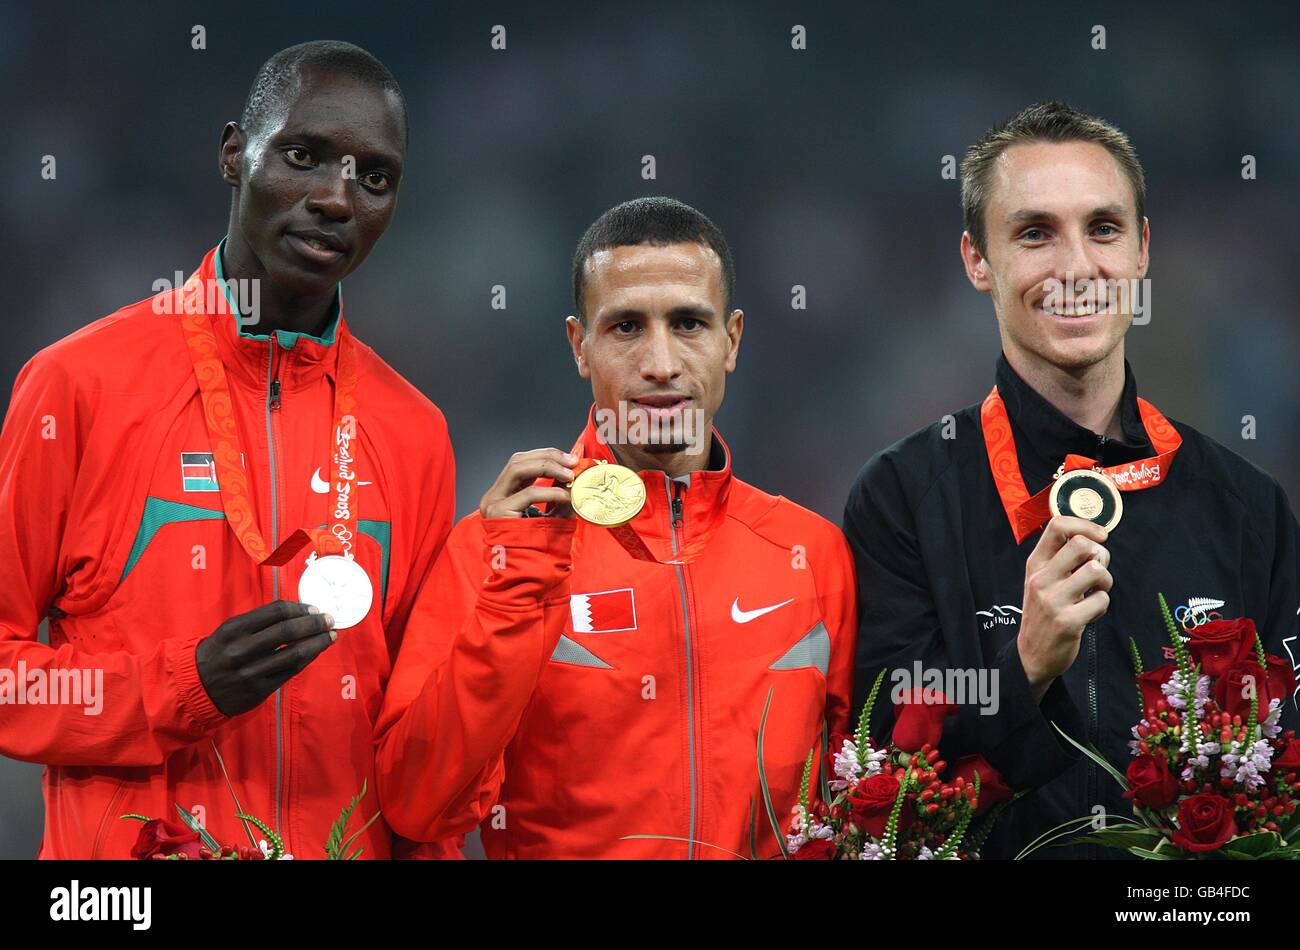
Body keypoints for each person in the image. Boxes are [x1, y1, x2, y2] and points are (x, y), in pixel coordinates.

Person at [0, 41, 455, 859]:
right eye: (303, 155)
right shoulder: (77, 386)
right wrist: (177, 690)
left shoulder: (414, 432)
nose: (335, 199)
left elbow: (419, 738)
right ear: (234, 152)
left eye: (373, 178)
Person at [843, 101, 1300, 859]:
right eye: (1034, 234)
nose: (1076, 267)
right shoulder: (901, 497)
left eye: (1104, 228)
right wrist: (1020, 665)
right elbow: (886, 732)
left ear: (1143, 249)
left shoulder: (1245, 505)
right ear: (976, 260)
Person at [375, 197, 856, 858]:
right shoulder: (492, 549)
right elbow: (417, 804)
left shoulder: (813, 555)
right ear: (580, 346)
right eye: (626, 327)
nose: (660, 362)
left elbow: (863, 798)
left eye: (689, 323)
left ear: (732, 340)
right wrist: (515, 590)